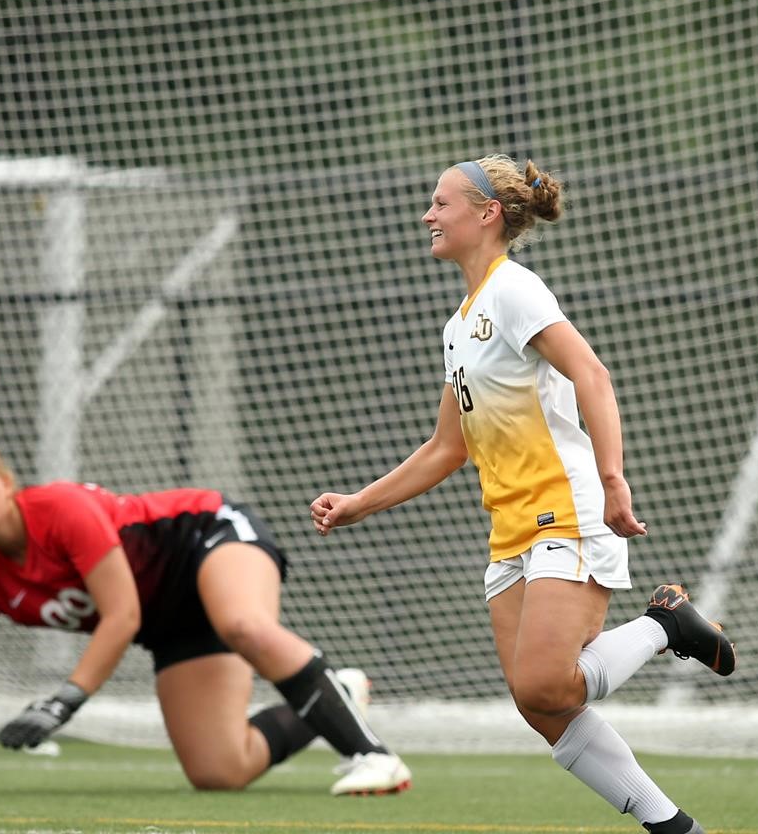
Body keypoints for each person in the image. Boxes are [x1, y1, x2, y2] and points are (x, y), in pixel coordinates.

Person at [310, 155, 735, 834]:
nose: (428, 215)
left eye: (441, 203)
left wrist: (613, 477)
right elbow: (447, 447)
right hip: (511, 528)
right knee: (538, 706)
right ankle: (677, 829)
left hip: (565, 510)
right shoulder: (460, 325)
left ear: (486, 214)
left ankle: (665, 625)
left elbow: (592, 374)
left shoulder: (515, 290)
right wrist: (359, 503)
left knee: (545, 684)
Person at [0, 440, 410, 797]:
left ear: (7, 485)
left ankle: (374, 757)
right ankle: (337, 694)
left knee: (243, 624)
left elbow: (121, 615)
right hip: (172, 621)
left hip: (204, 536)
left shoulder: (58, 509)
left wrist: (63, 700)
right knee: (219, 771)